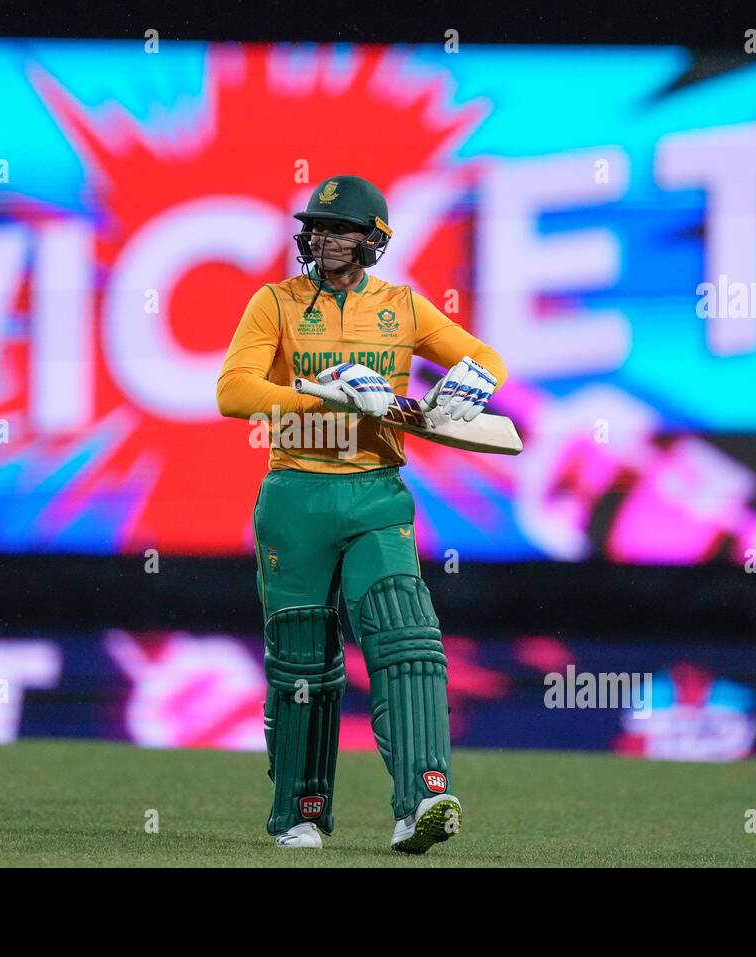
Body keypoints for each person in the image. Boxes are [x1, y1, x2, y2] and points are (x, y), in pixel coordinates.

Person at [216, 174, 507, 853]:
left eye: (341, 229)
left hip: (376, 491)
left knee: (408, 637)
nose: (325, 238)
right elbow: (233, 391)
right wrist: (328, 398)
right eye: (317, 228)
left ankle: (423, 798)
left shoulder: (401, 308)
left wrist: (476, 378)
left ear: (372, 239)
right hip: (296, 494)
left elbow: (481, 353)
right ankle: (300, 811)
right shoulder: (277, 303)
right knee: (303, 665)